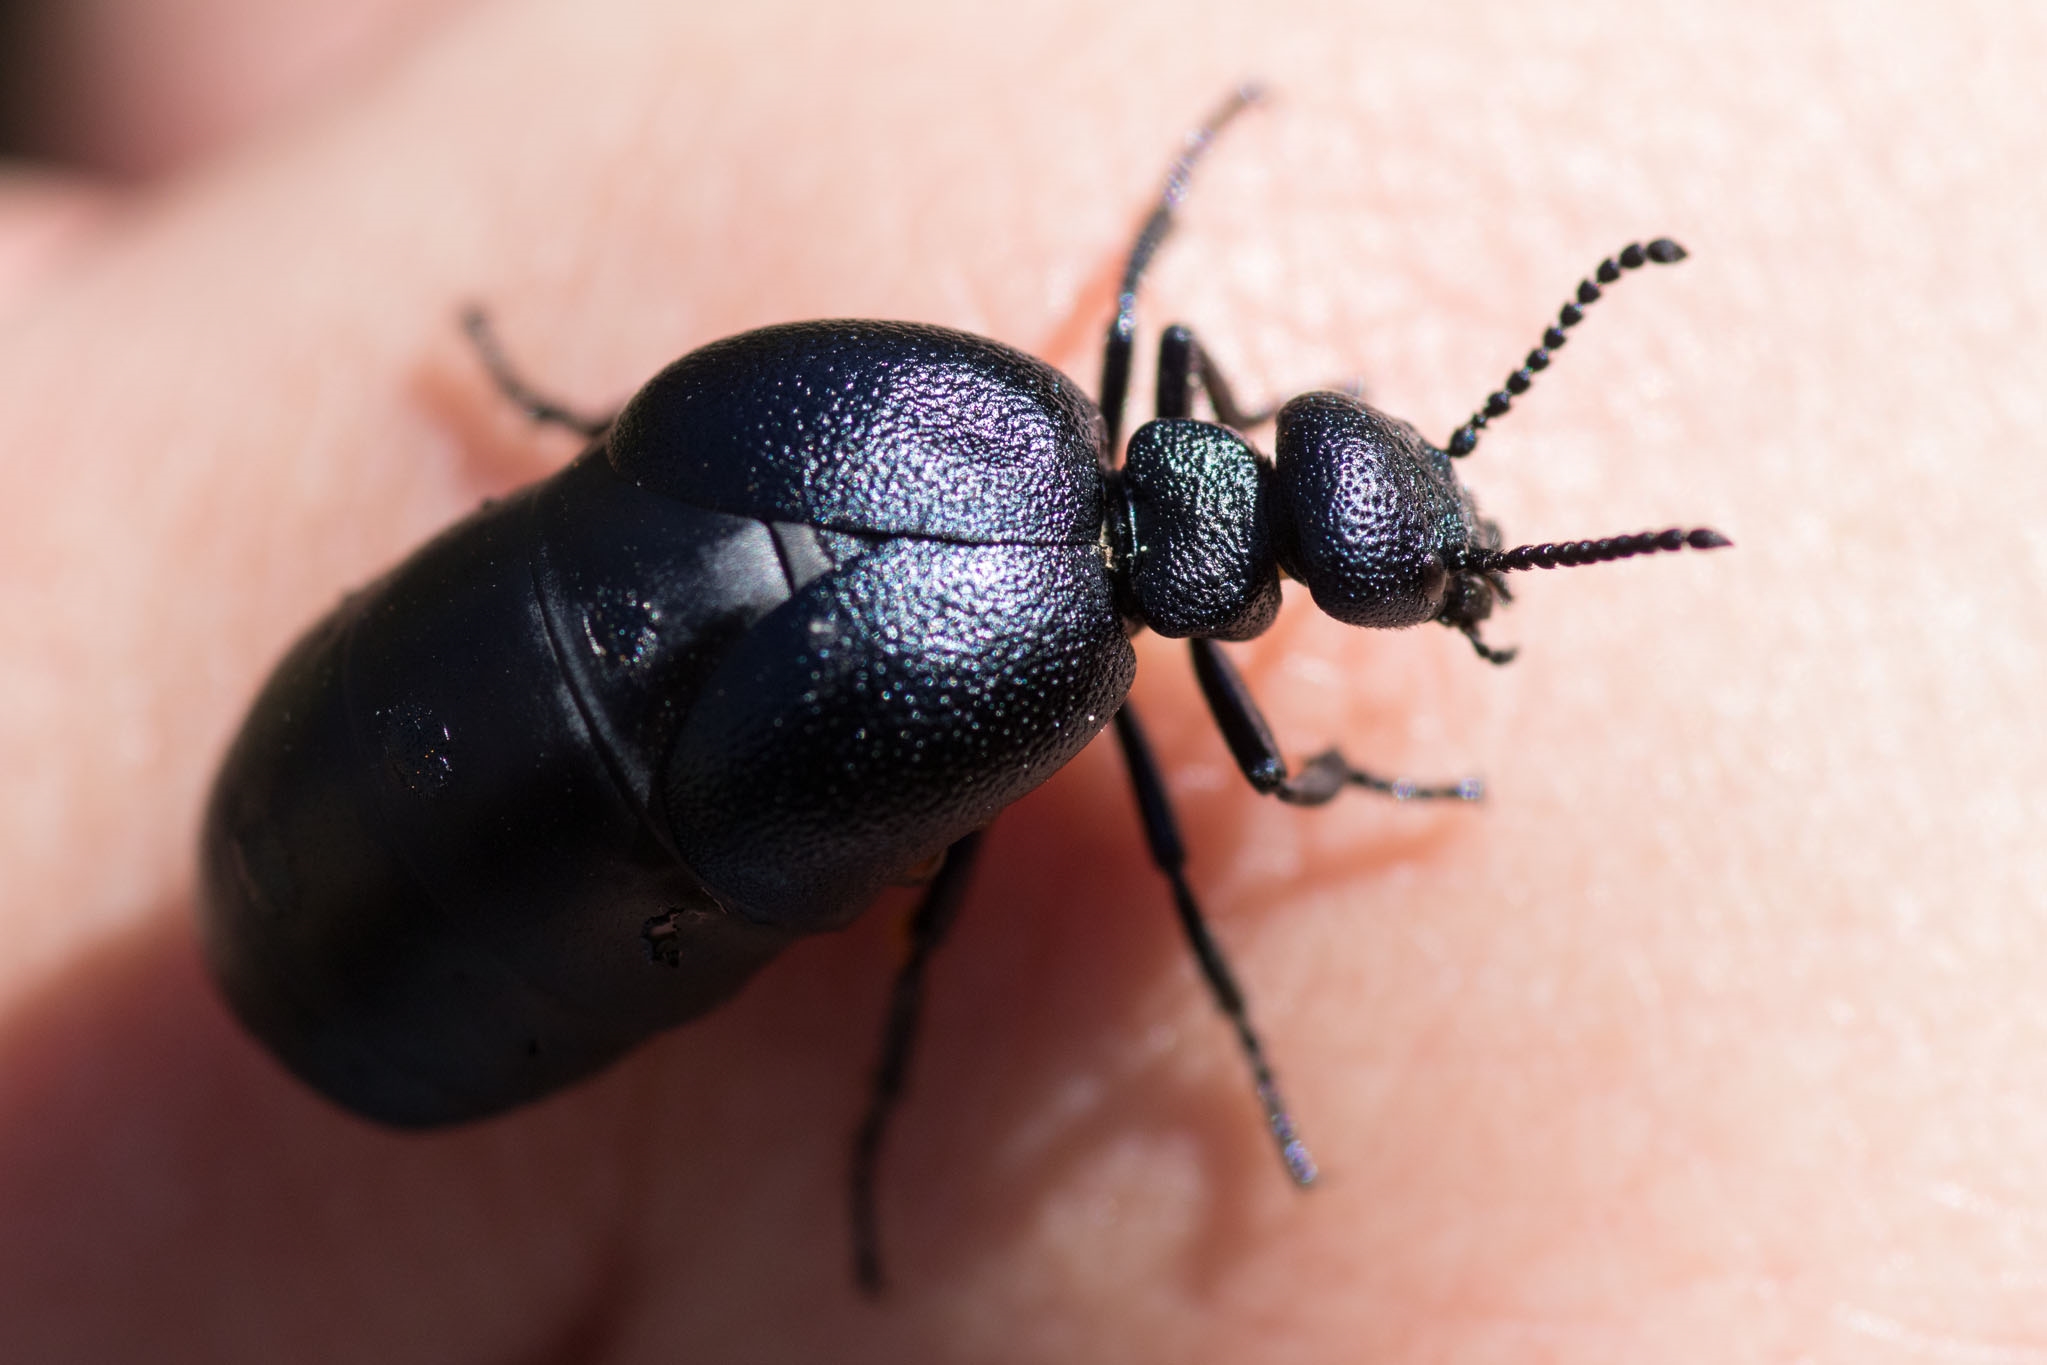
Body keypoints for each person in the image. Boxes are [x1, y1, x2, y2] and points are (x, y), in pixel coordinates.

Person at [2, 1, 2039, 1359]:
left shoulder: (1026, 434)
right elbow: (1244, 805)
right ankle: (890, 1088)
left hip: (391, 777)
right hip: (438, 921)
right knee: (931, 894)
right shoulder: (1066, 660)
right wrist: (1342, 811)